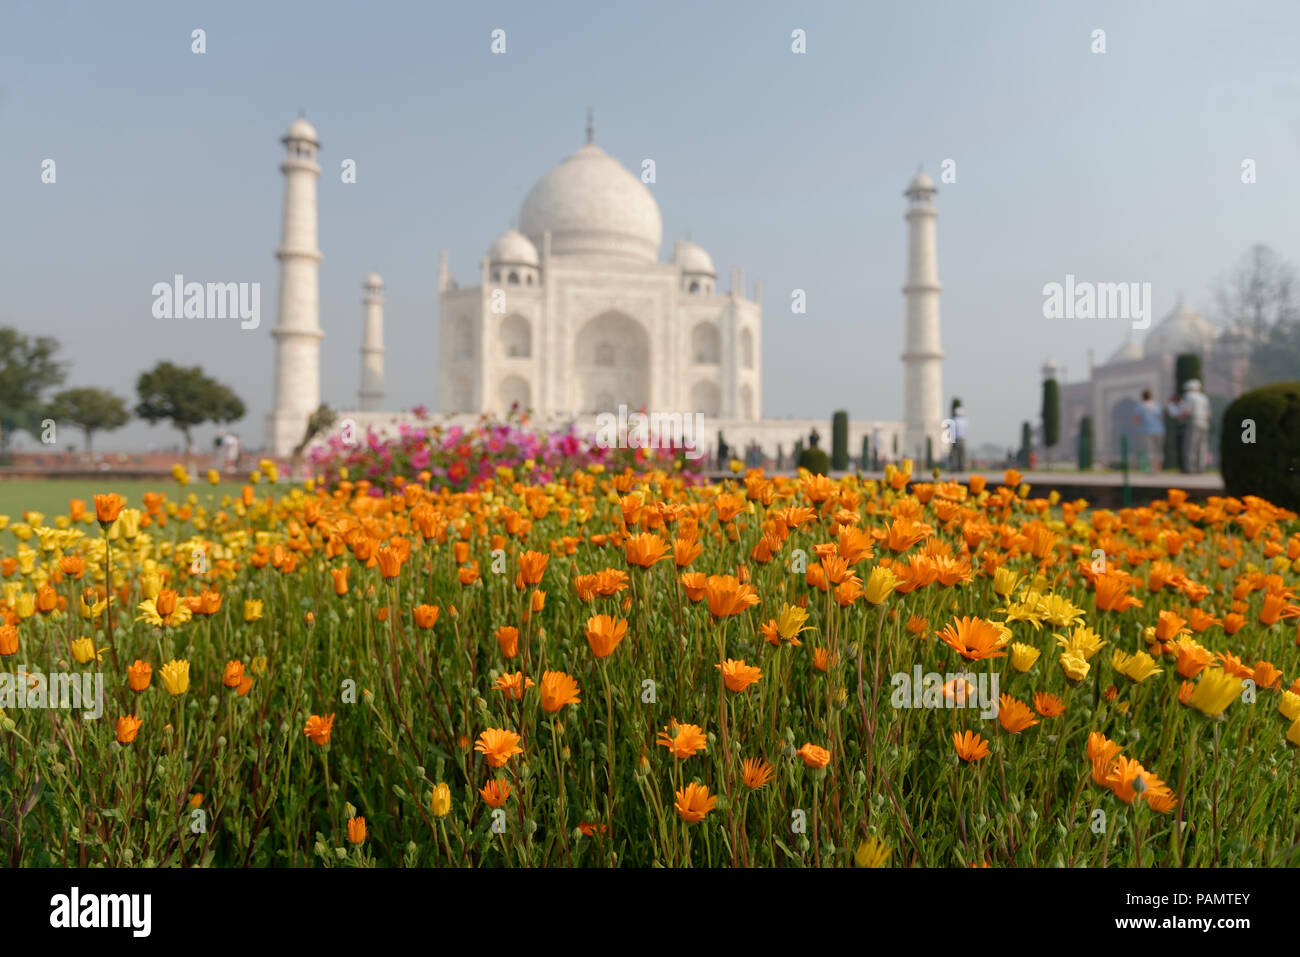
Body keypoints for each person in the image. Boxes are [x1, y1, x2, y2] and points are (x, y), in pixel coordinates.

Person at [1179, 379, 1211, 473]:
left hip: (1193, 421)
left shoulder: (1188, 396)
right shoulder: (1204, 397)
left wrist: (1180, 417)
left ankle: (1190, 468)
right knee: (1202, 446)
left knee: (1190, 445)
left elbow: (1186, 410)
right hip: (1204, 422)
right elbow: (1209, 413)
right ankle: (1201, 468)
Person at [1133, 389, 1164, 472]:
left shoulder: (1140, 406)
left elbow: (1136, 419)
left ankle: (1151, 468)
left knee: (1149, 450)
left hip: (1146, 430)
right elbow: (1161, 417)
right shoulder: (1156, 405)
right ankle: (1158, 468)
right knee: (1158, 450)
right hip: (1159, 430)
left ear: (1142, 397)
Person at [1164, 390, 1185, 473]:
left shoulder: (1180, 405)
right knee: (1172, 448)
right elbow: (1175, 415)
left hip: (1178, 429)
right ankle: (1172, 464)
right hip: (1173, 430)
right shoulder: (1171, 406)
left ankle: (1180, 465)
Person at [949, 406, 968, 471]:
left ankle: (954, 468)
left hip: (955, 439)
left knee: (955, 454)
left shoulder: (954, 420)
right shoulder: (965, 421)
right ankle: (962, 468)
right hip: (962, 439)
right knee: (962, 454)